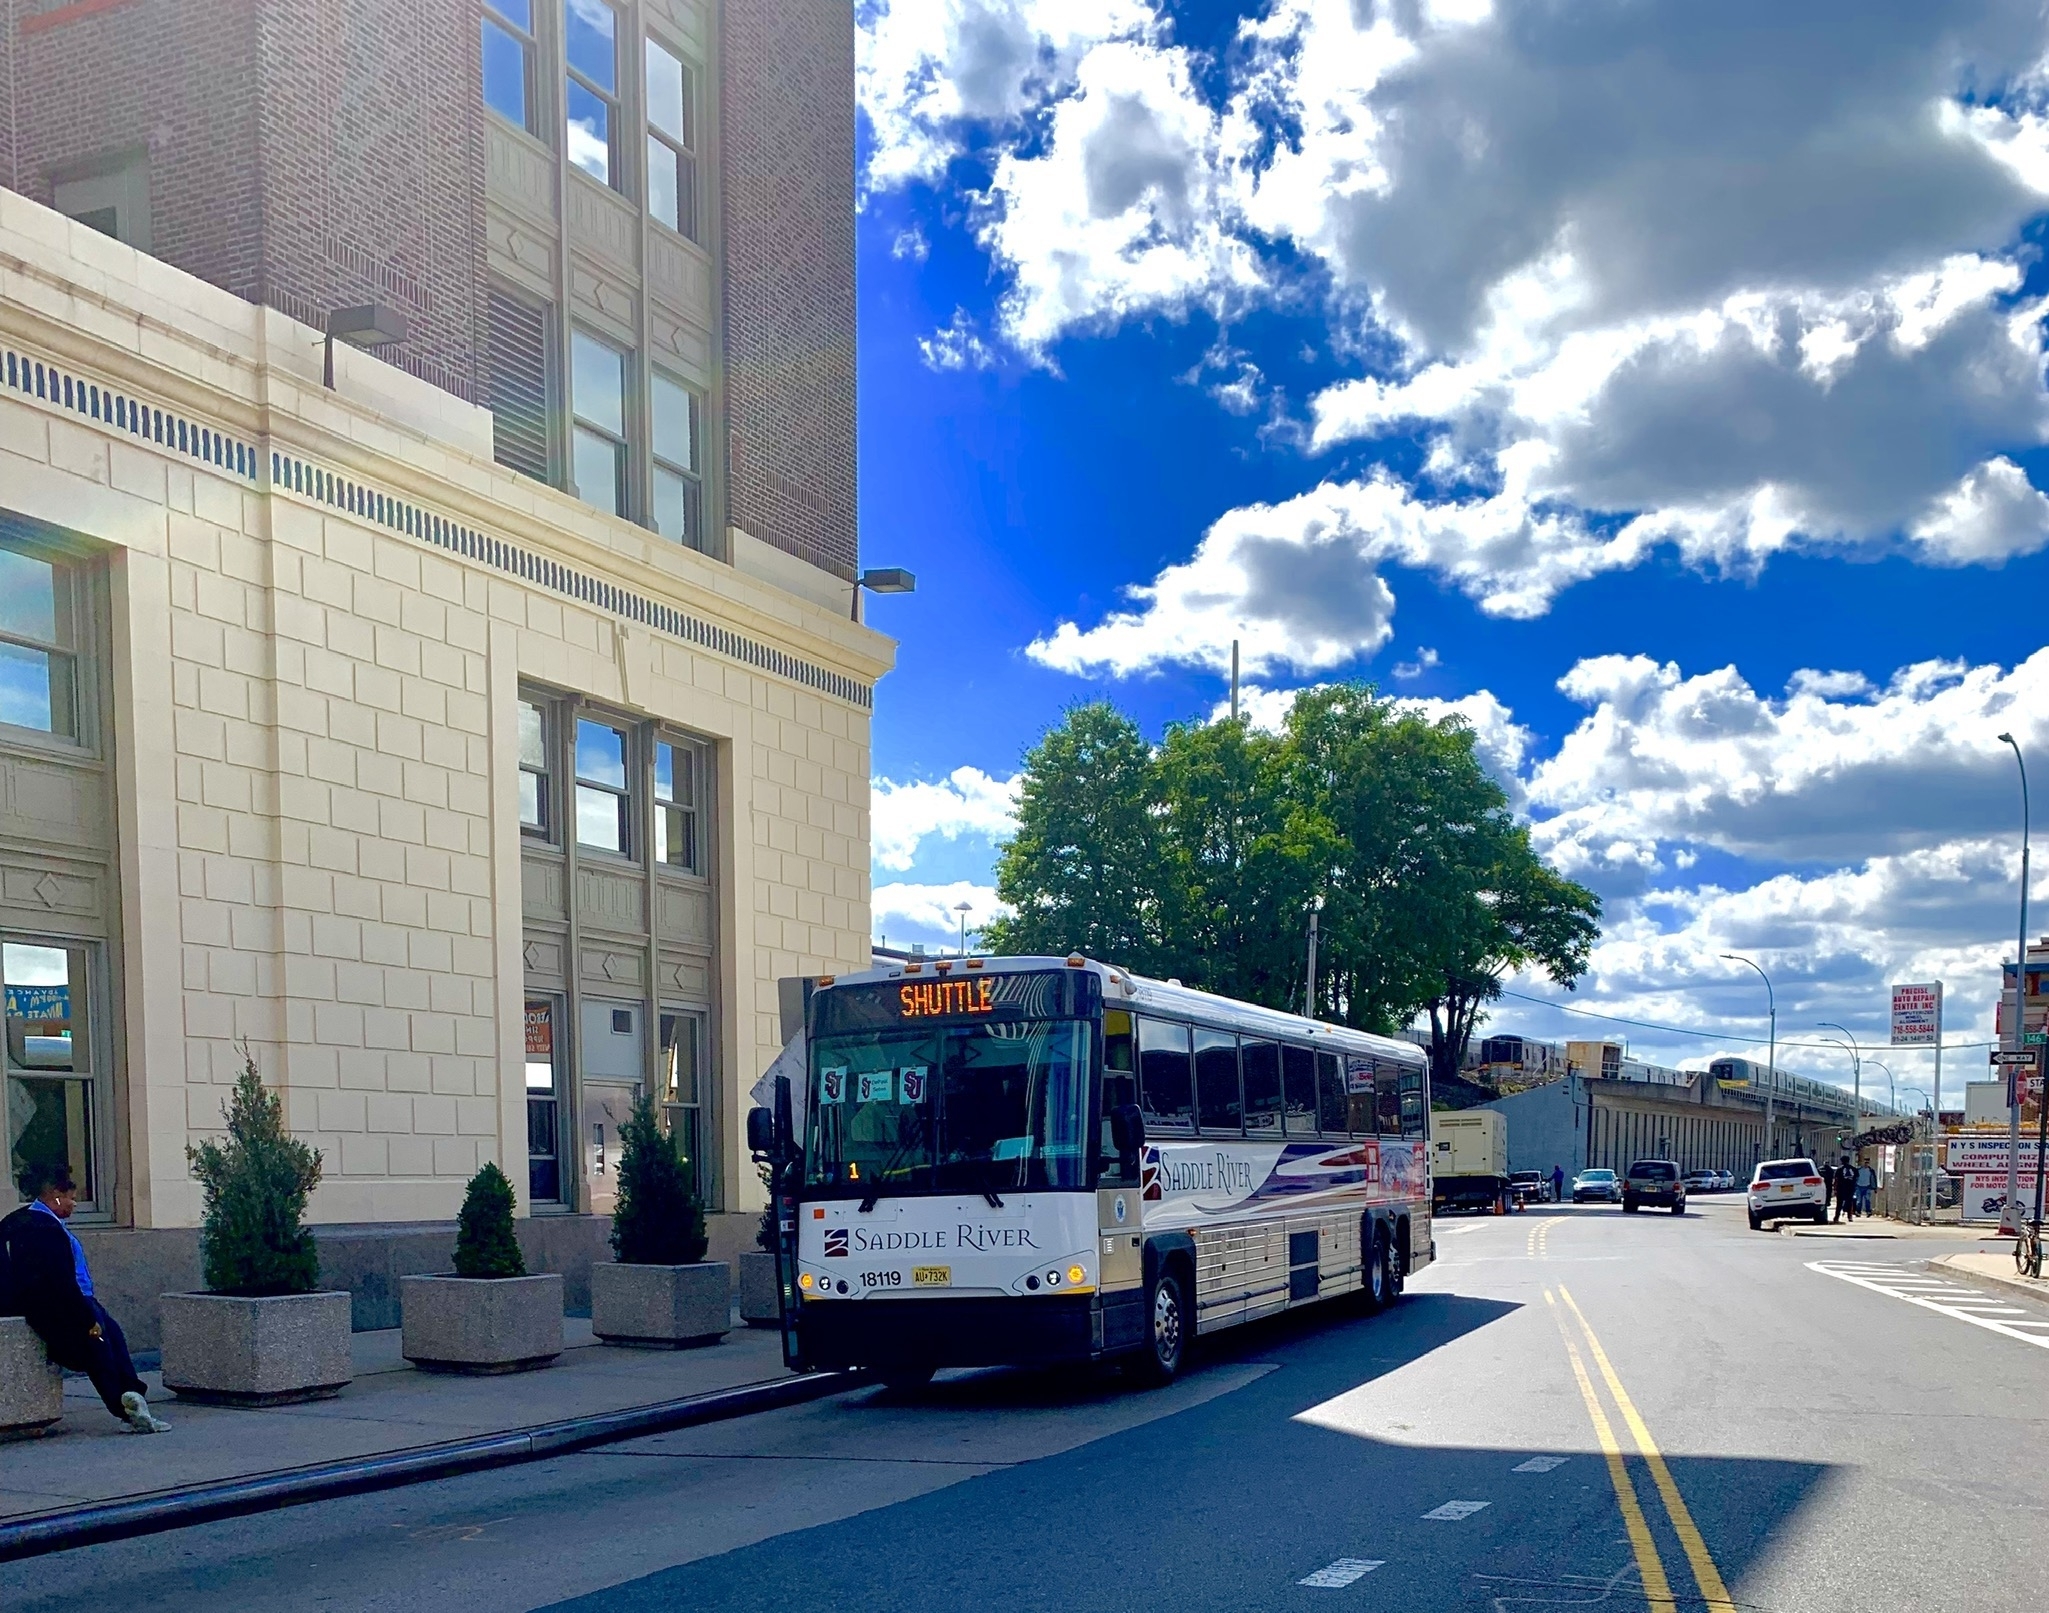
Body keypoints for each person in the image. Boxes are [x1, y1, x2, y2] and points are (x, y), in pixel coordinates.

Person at [0, 1162, 169, 1433]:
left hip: (76, 1302)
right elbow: (61, 1281)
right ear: (55, 1195)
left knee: (113, 1339)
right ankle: (126, 1406)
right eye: (71, 1198)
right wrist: (85, 1317)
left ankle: (133, 1399)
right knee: (100, 1350)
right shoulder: (45, 1230)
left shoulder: (23, 1221)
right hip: (74, 1305)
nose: (74, 1204)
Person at [1835, 1159, 1857, 1224]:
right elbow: (1856, 1178)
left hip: (1841, 1188)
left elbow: (1836, 1179)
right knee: (1850, 1203)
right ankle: (1850, 1217)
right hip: (1850, 1188)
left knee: (1839, 1204)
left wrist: (1835, 1189)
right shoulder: (1853, 1169)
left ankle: (1836, 1217)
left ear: (1842, 1161)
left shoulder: (1839, 1169)